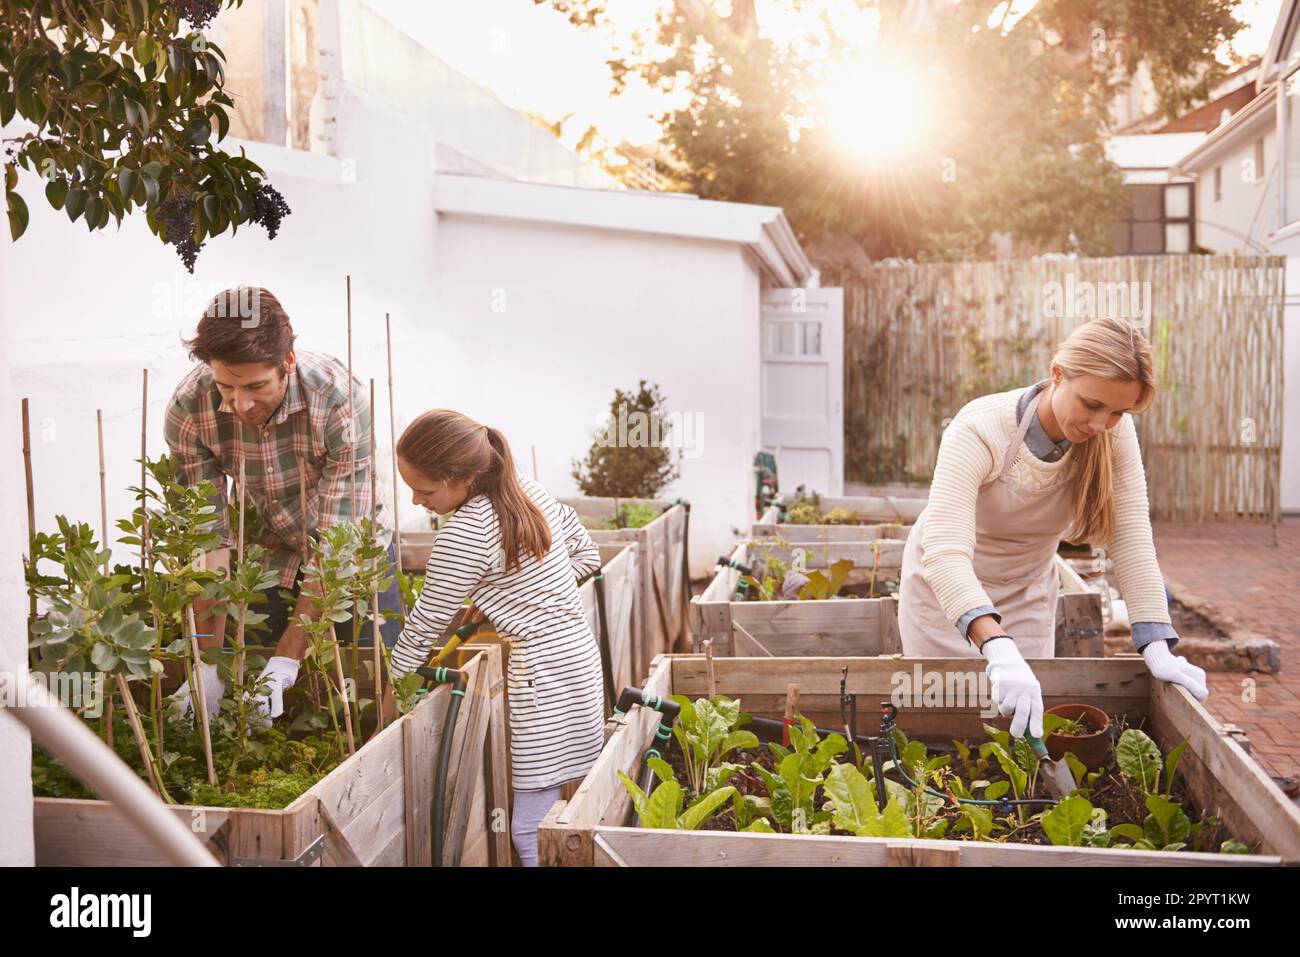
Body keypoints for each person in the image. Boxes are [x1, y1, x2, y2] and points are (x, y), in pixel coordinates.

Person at [898, 316, 1208, 739]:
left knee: (1022, 731)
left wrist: (1156, 642)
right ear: (1057, 374)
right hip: (945, 596)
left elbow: (1131, 536)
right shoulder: (980, 428)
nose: (1101, 424)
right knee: (946, 730)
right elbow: (945, 551)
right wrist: (995, 644)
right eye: (1092, 404)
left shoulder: (1114, 435)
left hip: (1026, 593)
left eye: (1118, 411)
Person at [165, 286, 399, 724]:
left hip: (352, 555)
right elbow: (207, 539)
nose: (241, 403)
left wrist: (287, 661)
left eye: (256, 386)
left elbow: (336, 547)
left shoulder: (336, 400)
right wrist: (207, 664)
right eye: (226, 387)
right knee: (268, 705)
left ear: (286, 363)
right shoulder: (189, 409)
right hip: (268, 550)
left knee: (373, 695)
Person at [382, 410, 605, 867]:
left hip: (539, 676)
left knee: (527, 825)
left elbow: (424, 628)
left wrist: (389, 698)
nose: (415, 499)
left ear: (462, 477)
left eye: (424, 490)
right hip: (579, 659)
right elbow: (586, 555)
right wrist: (513, 596)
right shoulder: (529, 493)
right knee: (572, 800)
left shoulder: (463, 534)